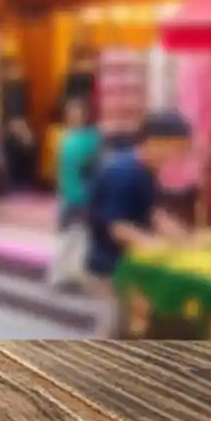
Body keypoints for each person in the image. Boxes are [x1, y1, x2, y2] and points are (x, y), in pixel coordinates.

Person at [86, 111, 192, 337]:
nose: (178, 156)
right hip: (111, 266)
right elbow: (117, 227)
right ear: (155, 141)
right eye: (177, 147)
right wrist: (155, 245)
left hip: (130, 264)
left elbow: (152, 212)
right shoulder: (122, 172)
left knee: (129, 332)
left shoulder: (147, 171)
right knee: (114, 330)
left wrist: (184, 238)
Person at [52, 98, 100, 289]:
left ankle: (69, 276)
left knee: (79, 237)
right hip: (70, 195)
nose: (73, 117)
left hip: (84, 195)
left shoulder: (91, 138)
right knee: (71, 236)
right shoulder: (66, 138)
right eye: (70, 113)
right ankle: (61, 276)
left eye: (77, 113)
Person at [0, 56, 37, 193]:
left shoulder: (14, 87)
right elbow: (16, 118)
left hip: (12, 127)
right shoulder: (14, 87)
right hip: (13, 128)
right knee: (28, 144)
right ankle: (22, 183)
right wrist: (25, 133)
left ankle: (17, 182)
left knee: (27, 143)